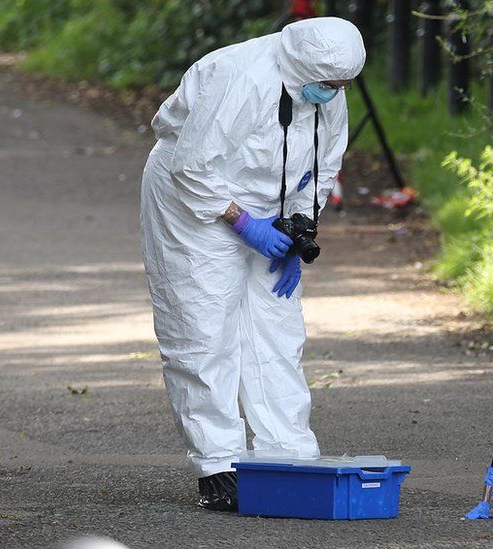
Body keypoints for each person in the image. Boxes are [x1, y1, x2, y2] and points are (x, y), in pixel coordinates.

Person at [139, 17, 366, 511]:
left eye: (343, 86)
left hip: (270, 206)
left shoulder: (326, 82)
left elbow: (322, 166)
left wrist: (298, 232)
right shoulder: (239, 77)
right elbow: (192, 168)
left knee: (277, 330)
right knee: (204, 326)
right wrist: (245, 225)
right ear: (305, 67)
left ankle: (287, 453)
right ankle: (218, 463)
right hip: (191, 202)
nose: (337, 93)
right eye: (331, 86)